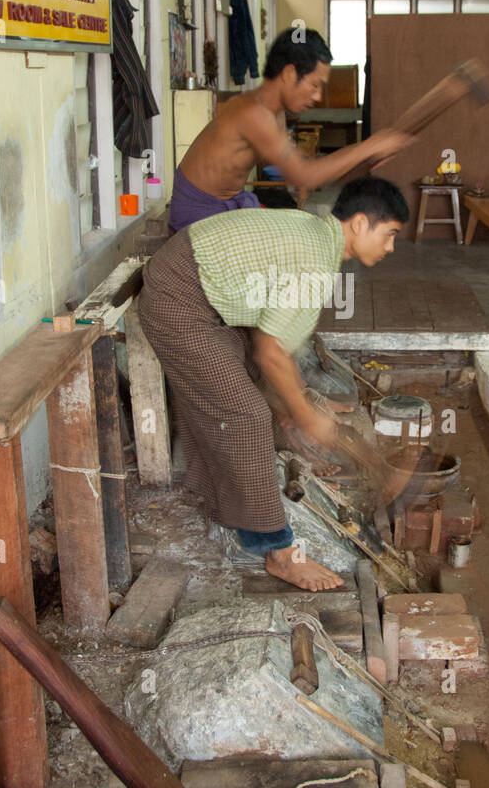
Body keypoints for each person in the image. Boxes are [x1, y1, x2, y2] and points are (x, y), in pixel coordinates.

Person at [139, 176, 410, 591]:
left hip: (197, 288)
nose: (391, 248)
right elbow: (271, 351)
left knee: (250, 386)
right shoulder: (315, 264)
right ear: (359, 224)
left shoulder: (316, 235)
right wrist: (306, 416)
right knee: (245, 414)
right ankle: (279, 552)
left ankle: (233, 490)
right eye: (389, 235)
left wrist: (300, 402)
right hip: (178, 299)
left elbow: (271, 353)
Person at [168, 28, 411, 231]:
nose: (317, 96)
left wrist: (364, 158)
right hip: (198, 215)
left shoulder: (274, 112)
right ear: (289, 73)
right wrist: (368, 146)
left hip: (226, 203)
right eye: (315, 85)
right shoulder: (254, 113)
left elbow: (300, 166)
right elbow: (305, 176)